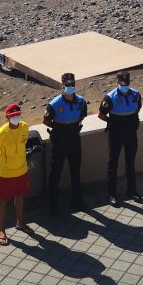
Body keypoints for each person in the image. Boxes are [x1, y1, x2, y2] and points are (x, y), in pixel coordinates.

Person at [44, 72, 88, 215]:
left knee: (75, 170)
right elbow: (46, 121)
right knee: (55, 171)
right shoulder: (54, 104)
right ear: (62, 85)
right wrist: (60, 128)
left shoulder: (81, 101)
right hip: (60, 139)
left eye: (72, 85)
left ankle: (76, 199)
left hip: (74, 138)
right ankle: (53, 204)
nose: (70, 87)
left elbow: (82, 115)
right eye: (67, 85)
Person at [0, 103, 34, 245]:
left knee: (20, 196)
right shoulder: (1, 133)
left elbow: (24, 143)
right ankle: (1, 230)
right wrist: (3, 163)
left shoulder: (25, 127)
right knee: (2, 201)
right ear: (7, 117)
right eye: (12, 115)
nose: (15, 117)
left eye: (17, 114)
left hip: (22, 170)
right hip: (6, 173)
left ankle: (20, 223)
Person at [98, 69, 142, 206]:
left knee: (130, 162)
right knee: (113, 164)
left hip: (130, 133)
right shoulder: (110, 97)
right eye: (122, 83)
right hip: (116, 134)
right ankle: (112, 195)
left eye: (126, 82)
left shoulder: (136, 94)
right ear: (117, 82)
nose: (124, 85)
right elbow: (101, 114)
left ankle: (132, 191)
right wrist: (113, 122)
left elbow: (137, 109)